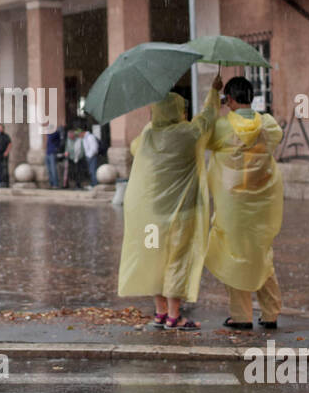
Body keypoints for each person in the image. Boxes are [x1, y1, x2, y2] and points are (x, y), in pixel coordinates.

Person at [118, 85, 220, 330]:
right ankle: (175, 316)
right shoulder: (188, 134)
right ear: (179, 111)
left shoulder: (148, 136)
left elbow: (134, 147)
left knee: (154, 258)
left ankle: (160, 312)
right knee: (177, 260)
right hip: (180, 213)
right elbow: (207, 118)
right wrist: (214, 93)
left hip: (151, 214)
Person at [205, 76, 285, 330]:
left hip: (233, 206)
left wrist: (211, 96)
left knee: (235, 256)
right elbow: (276, 137)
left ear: (228, 100)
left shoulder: (222, 127)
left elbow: (203, 134)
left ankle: (242, 316)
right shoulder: (268, 125)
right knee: (260, 255)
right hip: (261, 204)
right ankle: (271, 313)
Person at [82, 121, 101, 187]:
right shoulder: (84, 138)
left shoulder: (90, 137)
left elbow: (94, 148)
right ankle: (93, 184)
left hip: (92, 156)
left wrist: (89, 156)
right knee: (91, 171)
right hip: (89, 156)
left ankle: (95, 184)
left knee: (93, 171)